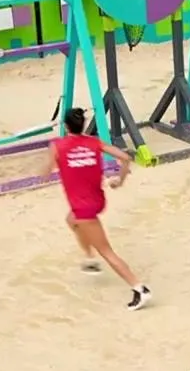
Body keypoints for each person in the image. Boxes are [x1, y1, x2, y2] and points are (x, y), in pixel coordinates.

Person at [43, 107, 152, 311]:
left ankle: (139, 288)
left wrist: (49, 161)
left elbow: (45, 173)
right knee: (71, 220)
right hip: (97, 200)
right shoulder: (94, 142)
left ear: (66, 126)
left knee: (107, 252)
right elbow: (126, 157)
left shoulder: (57, 146)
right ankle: (89, 258)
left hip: (84, 208)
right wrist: (120, 180)